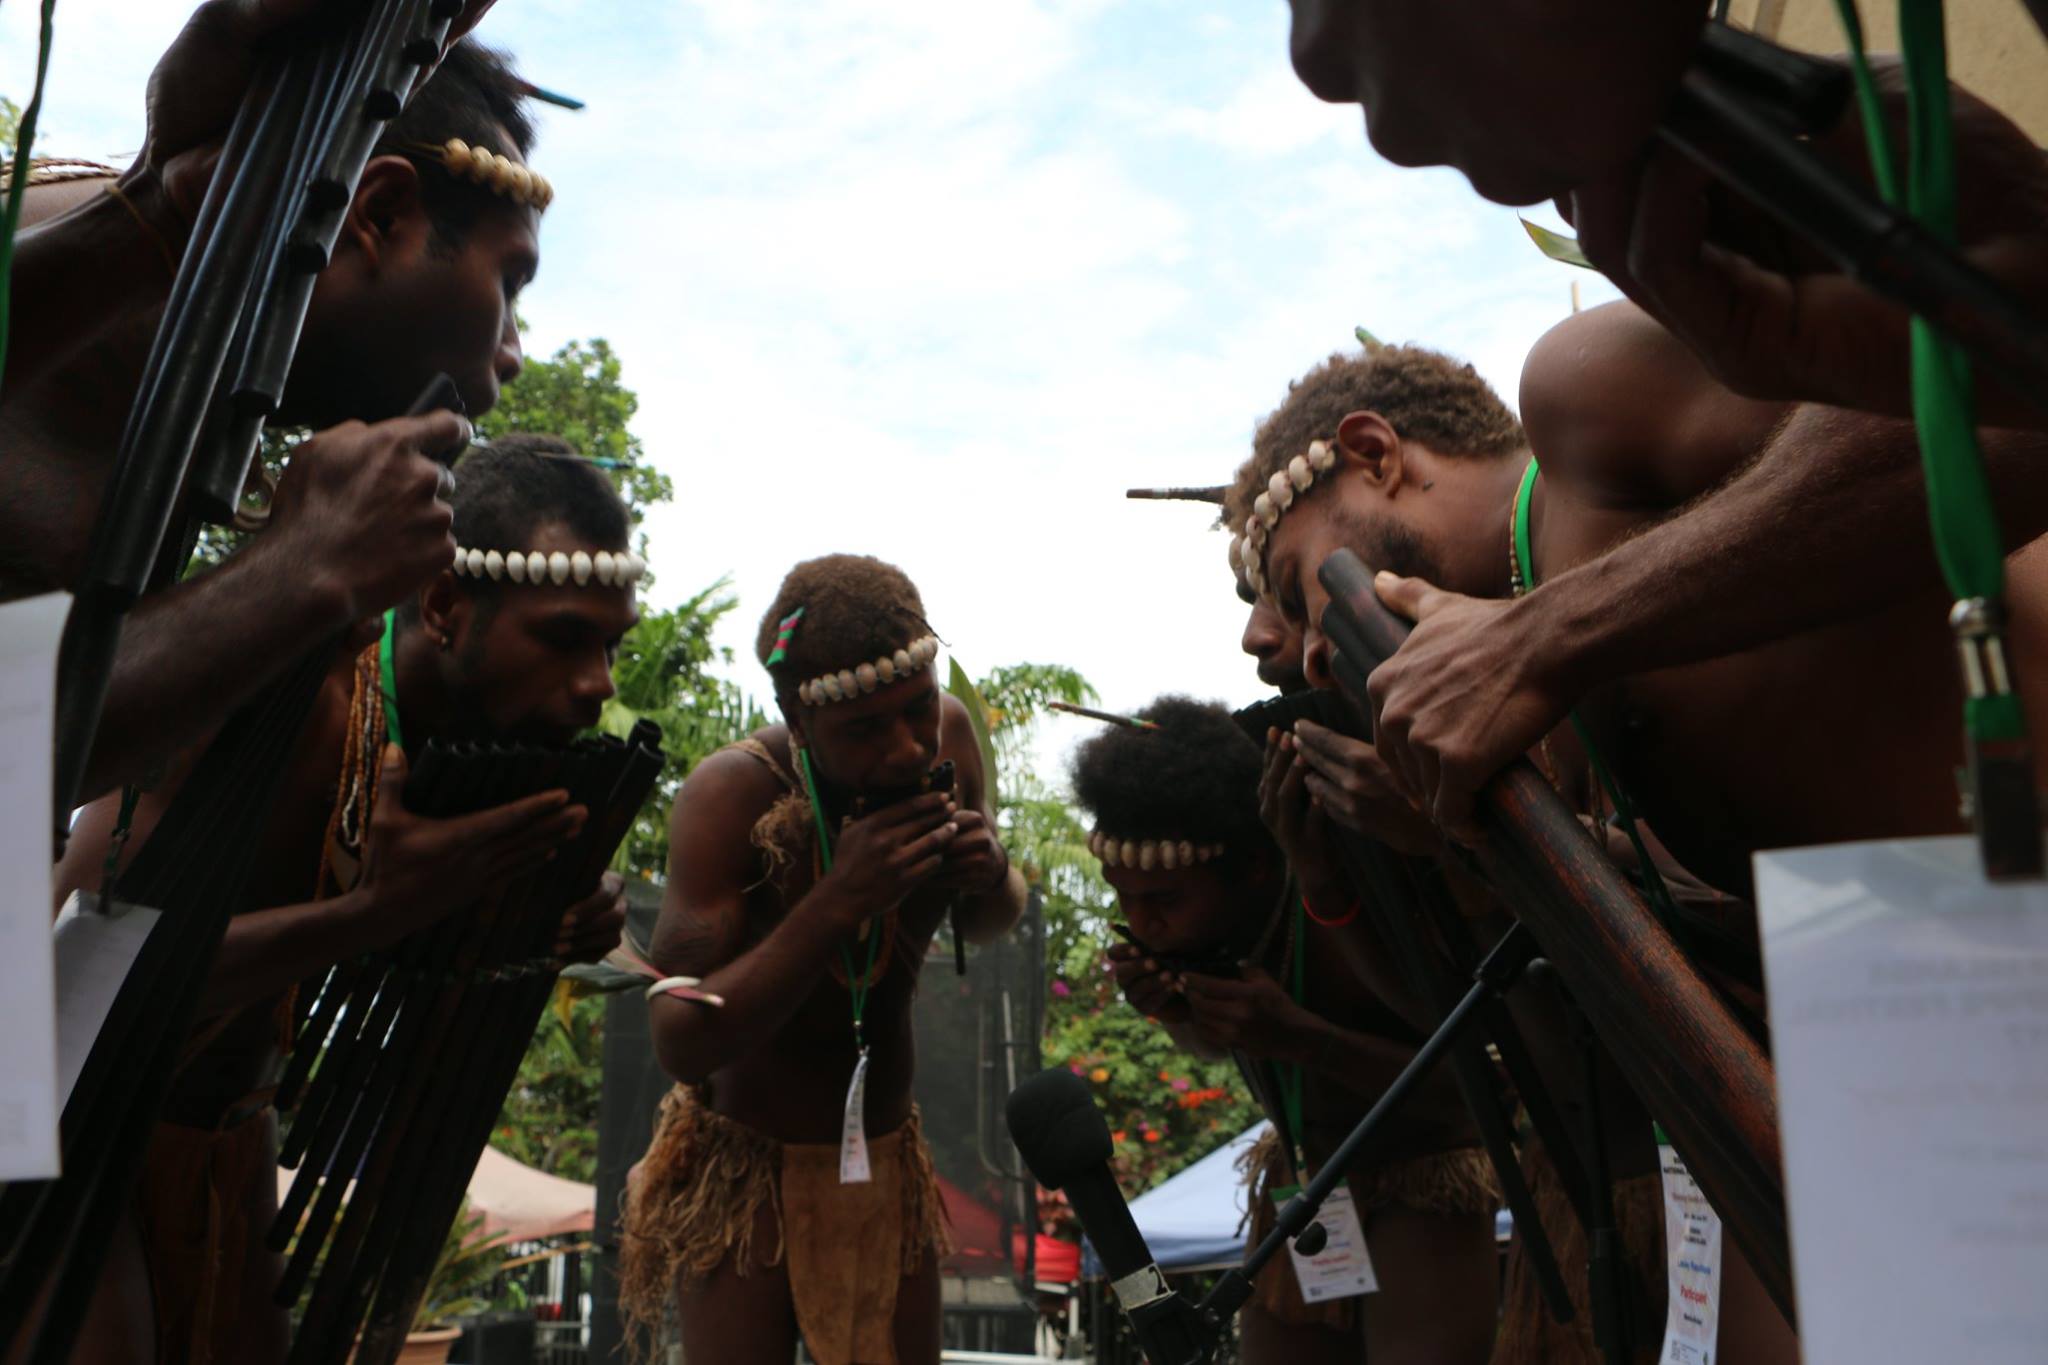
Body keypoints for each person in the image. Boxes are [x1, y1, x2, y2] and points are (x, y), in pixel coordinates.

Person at [47, 436, 639, 1365]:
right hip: (58, 1138)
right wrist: (368, 917)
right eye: (564, 637)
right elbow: (52, 996)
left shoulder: (460, 760)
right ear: (444, 605)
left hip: (231, 1148)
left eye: (610, 645)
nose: (597, 684)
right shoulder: (284, 687)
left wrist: (514, 931)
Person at [3, 18, 547, 799]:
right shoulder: (90, 327)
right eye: (511, 283)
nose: (512, 354)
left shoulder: (166, 386)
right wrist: (298, 573)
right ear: (383, 212)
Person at [621, 554, 1023, 1365]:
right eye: (865, 729)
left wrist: (992, 872)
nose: (909, 747)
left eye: (916, 708)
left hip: (883, 1157)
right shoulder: (733, 793)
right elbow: (679, 1035)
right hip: (746, 1170)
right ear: (799, 721)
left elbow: (991, 918)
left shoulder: (950, 737)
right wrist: (839, 901)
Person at [1085, 695, 1499, 1365]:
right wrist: (1176, 1011)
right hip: (1304, 1185)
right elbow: (1224, 1042)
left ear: (1251, 868)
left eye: (1162, 899)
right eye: (1122, 894)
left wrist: (1304, 1036)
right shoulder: (1214, 934)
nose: (1142, 920)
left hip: (1424, 1182)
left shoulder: (1345, 894)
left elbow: (1476, 1088)